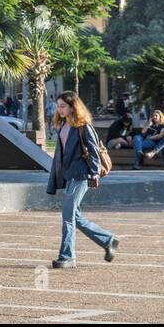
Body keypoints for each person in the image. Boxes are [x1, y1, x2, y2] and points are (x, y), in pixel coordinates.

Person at [45, 91, 118, 268]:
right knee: (75, 216)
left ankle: (67, 256)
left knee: (67, 215)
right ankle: (108, 240)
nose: (60, 109)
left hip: (81, 175)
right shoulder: (63, 125)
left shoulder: (83, 126)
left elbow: (93, 151)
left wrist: (94, 173)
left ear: (73, 107)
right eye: (58, 106)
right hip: (70, 175)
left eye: (63, 106)